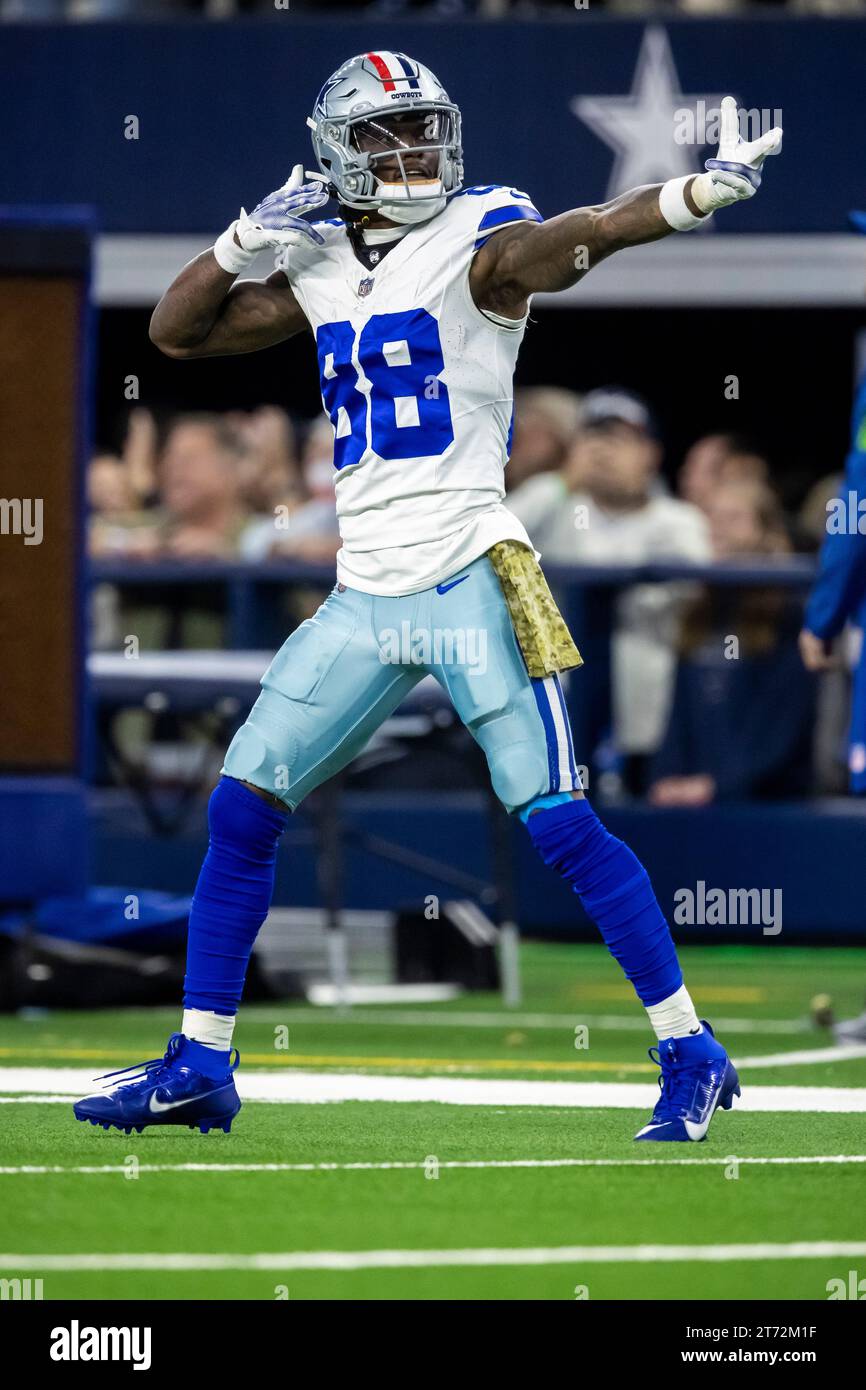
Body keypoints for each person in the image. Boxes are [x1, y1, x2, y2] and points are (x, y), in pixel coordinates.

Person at [73, 55, 781, 1143]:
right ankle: (200, 1062)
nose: (415, 155)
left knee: (556, 820)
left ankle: (690, 1048)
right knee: (241, 803)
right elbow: (174, 332)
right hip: (364, 591)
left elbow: (575, 236)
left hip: (468, 574)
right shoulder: (312, 257)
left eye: (425, 130)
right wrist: (240, 239)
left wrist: (689, 196)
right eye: (388, 137)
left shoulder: (481, 236)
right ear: (335, 155)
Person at [510, 388, 711, 784]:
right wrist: (564, 481)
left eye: (619, 441)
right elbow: (493, 536)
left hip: (654, 716)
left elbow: (692, 595)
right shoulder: (557, 508)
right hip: (559, 709)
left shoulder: (678, 521)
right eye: (593, 438)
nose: (603, 452)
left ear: (650, 453)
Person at [649, 479, 814, 805]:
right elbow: (679, 714)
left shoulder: (788, 614)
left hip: (768, 804)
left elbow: (784, 724)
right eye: (712, 518)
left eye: (733, 518)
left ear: (765, 532)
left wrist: (719, 786)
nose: (718, 529)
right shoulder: (698, 610)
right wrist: (666, 777)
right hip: (692, 799)